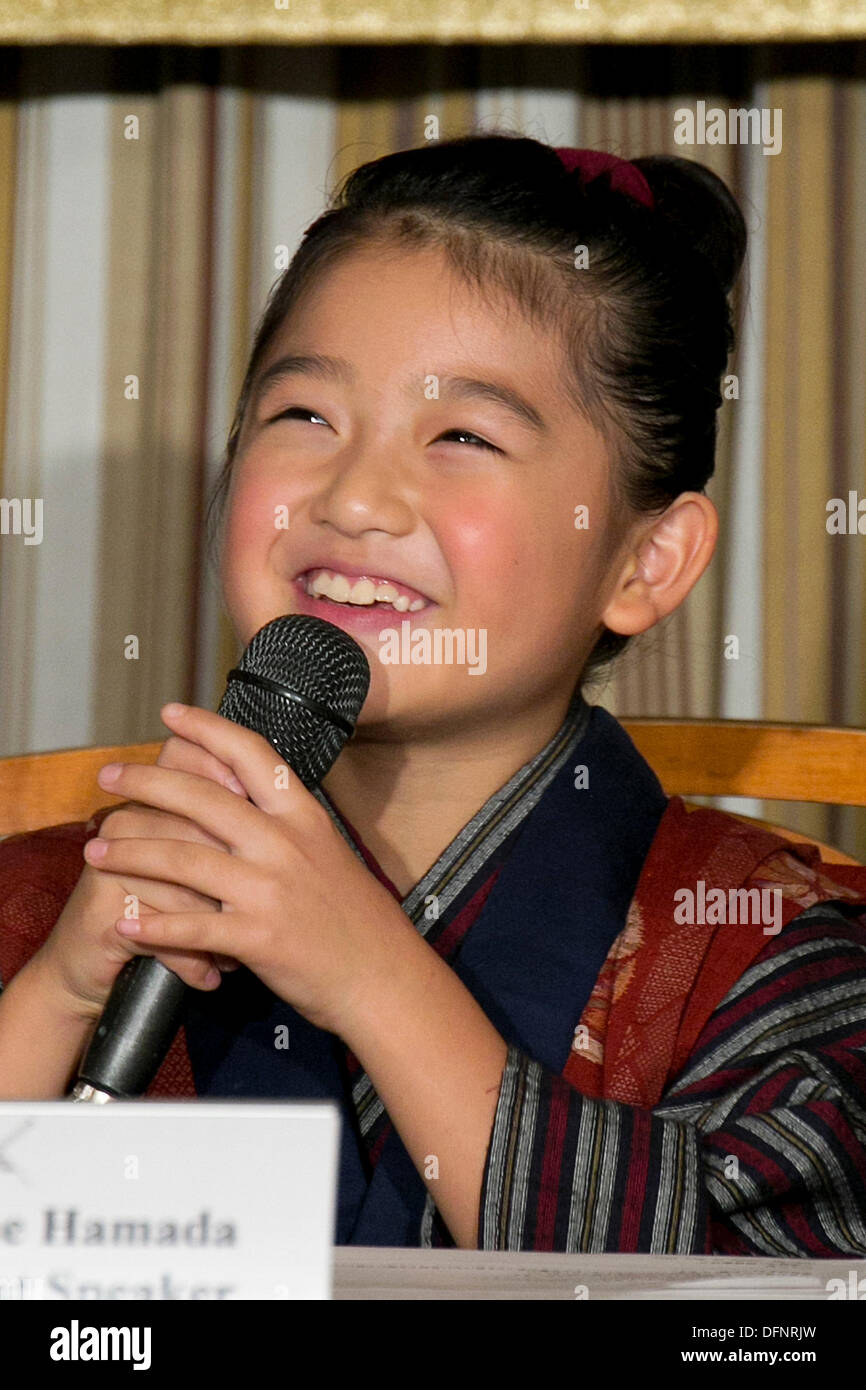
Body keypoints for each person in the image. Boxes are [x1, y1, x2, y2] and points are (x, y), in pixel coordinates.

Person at [1, 132, 865, 1255]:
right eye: (304, 415)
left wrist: (371, 977)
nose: (357, 495)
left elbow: (755, 1306)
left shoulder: (764, 953)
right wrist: (62, 995)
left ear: (643, 561)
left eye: (461, 434)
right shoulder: (44, 904)